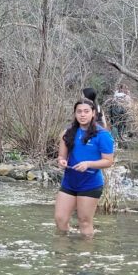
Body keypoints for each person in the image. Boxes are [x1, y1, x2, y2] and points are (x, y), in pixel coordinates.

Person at [54, 98, 115, 237]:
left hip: (90, 183)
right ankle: (65, 251)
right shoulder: (67, 133)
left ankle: (85, 254)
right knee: (60, 220)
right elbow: (61, 157)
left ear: (93, 113)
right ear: (75, 114)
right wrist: (62, 161)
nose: (82, 115)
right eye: (79, 112)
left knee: (85, 221)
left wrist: (88, 164)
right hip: (69, 181)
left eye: (86, 111)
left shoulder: (103, 135)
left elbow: (108, 161)